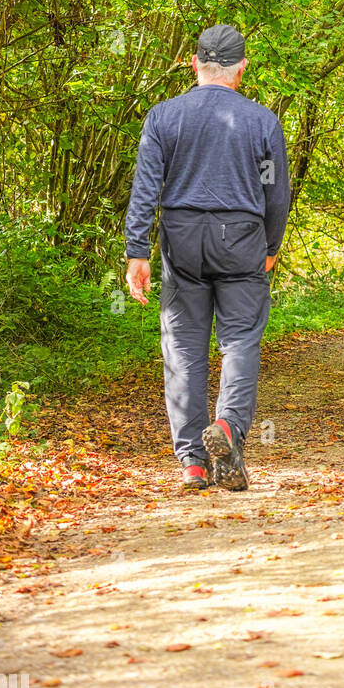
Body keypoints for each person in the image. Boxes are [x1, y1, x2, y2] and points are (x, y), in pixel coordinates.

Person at [124, 24, 291, 492]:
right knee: (239, 341)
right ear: (241, 69)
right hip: (241, 237)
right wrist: (270, 246)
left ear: (194, 64)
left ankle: (194, 464)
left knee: (183, 348)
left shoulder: (163, 117)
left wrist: (138, 251)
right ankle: (229, 430)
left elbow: (146, 189)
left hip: (182, 239)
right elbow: (276, 195)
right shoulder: (262, 122)